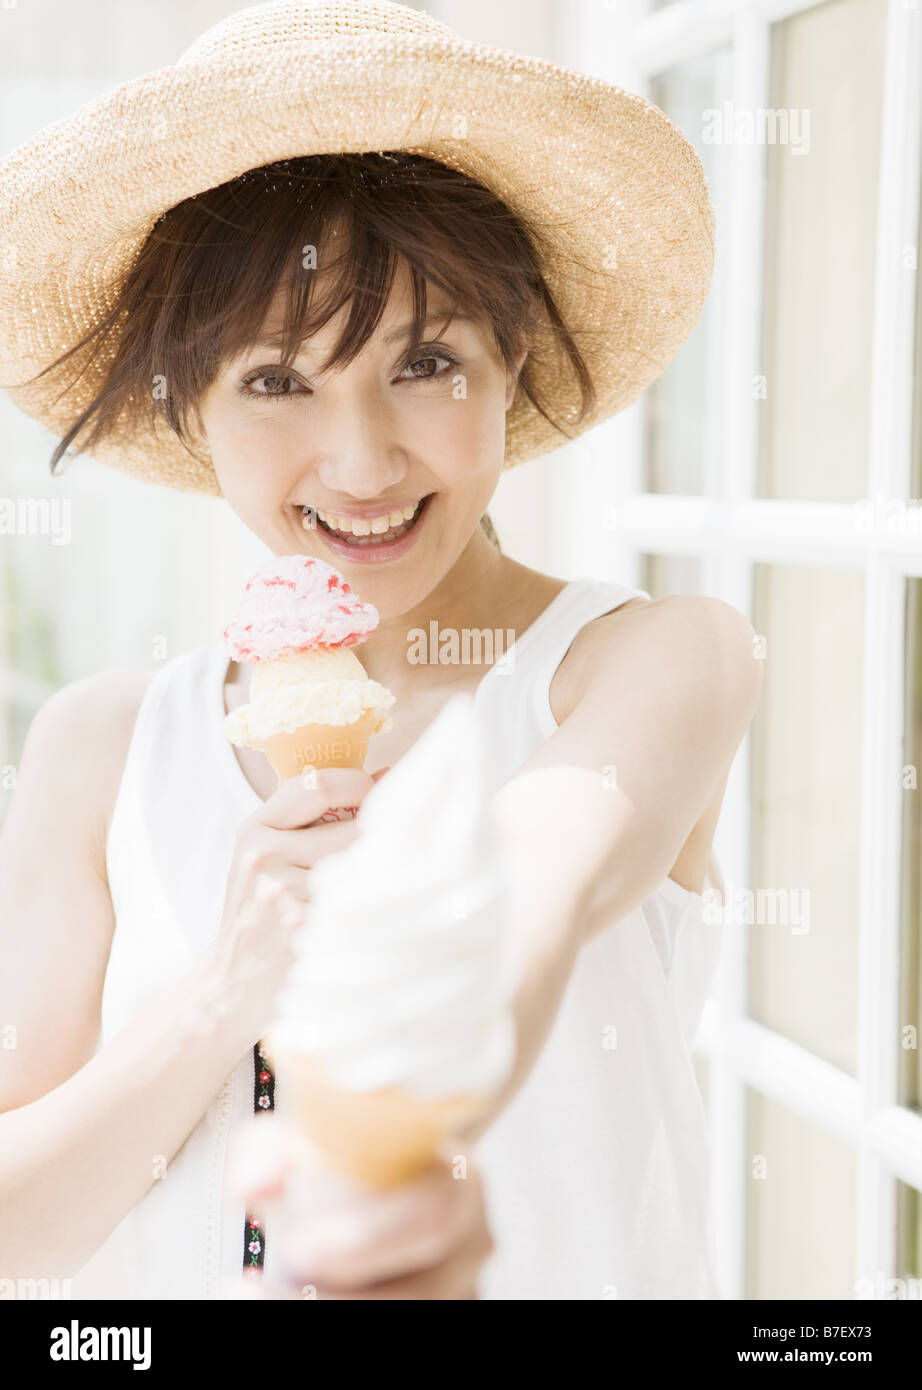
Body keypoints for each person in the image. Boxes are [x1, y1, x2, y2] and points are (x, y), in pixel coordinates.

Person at [0, 0, 760, 1300]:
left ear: (512, 364)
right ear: (192, 408)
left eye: (425, 363)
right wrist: (225, 988)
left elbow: (535, 887)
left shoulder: (649, 662)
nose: (361, 464)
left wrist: (393, 1146)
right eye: (275, 381)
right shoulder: (102, 746)